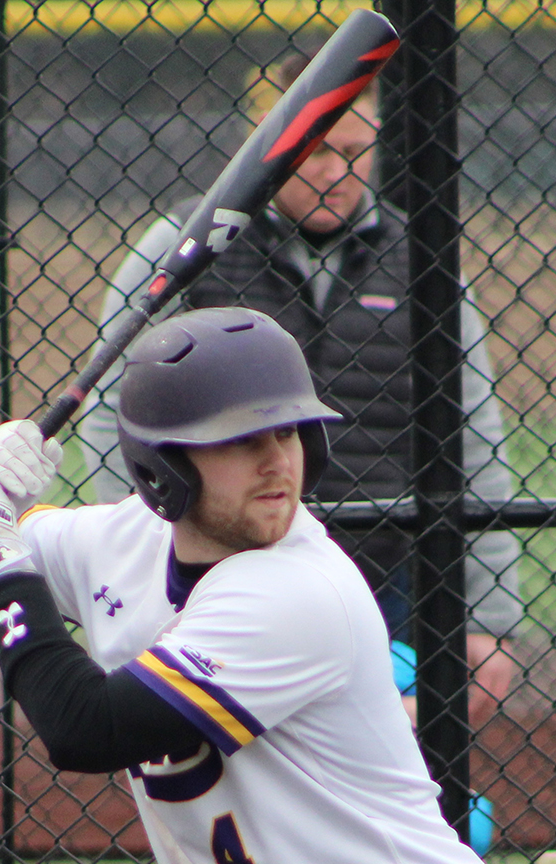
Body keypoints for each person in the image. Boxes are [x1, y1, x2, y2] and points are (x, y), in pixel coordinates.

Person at [0, 307, 530, 864]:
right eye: (240, 441)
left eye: (287, 434)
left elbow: (86, 728)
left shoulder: (298, 591)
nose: (277, 462)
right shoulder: (120, 541)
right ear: (164, 468)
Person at [76, 50, 524, 678]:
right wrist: (148, 552)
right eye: (315, 152)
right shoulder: (186, 247)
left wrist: (489, 617)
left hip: (385, 575)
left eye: (356, 150)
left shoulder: (422, 257)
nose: (338, 172)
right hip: (224, 565)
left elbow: (473, 429)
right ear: (270, 146)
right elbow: (113, 415)